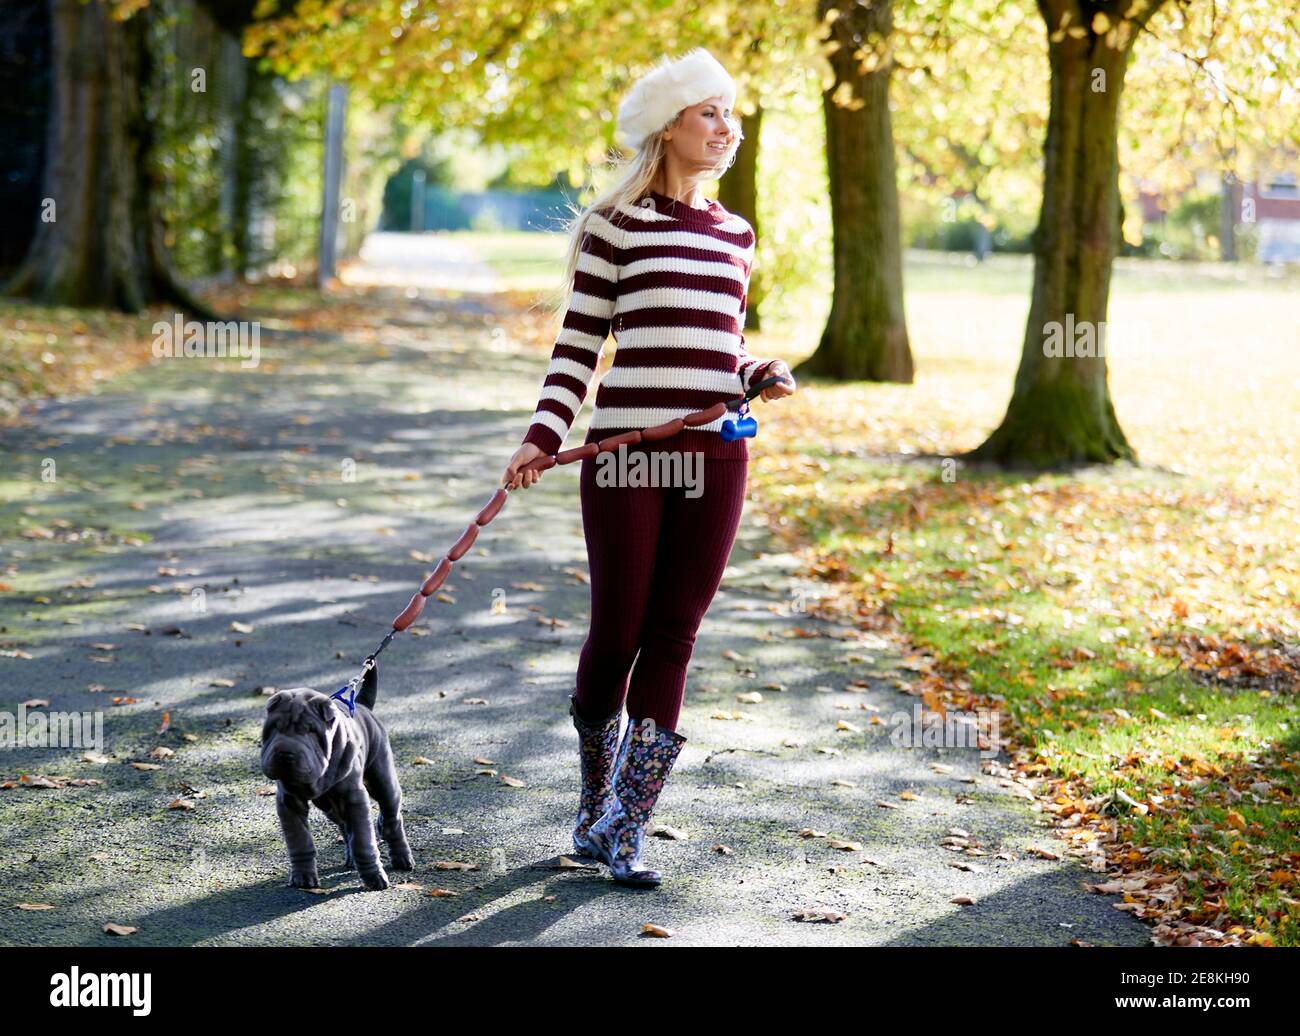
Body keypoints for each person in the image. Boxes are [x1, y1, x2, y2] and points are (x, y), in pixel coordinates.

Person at [500, 48, 796, 888]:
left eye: (729, 114)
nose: (725, 127)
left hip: (716, 455)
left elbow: (722, 345)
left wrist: (757, 372)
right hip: (627, 455)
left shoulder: (737, 234)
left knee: (676, 634)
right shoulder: (613, 227)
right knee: (619, 631)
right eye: (709, 112)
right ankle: (596, 787)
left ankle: (626, 824)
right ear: (667, 125)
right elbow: (577, 350)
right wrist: (541, 435)